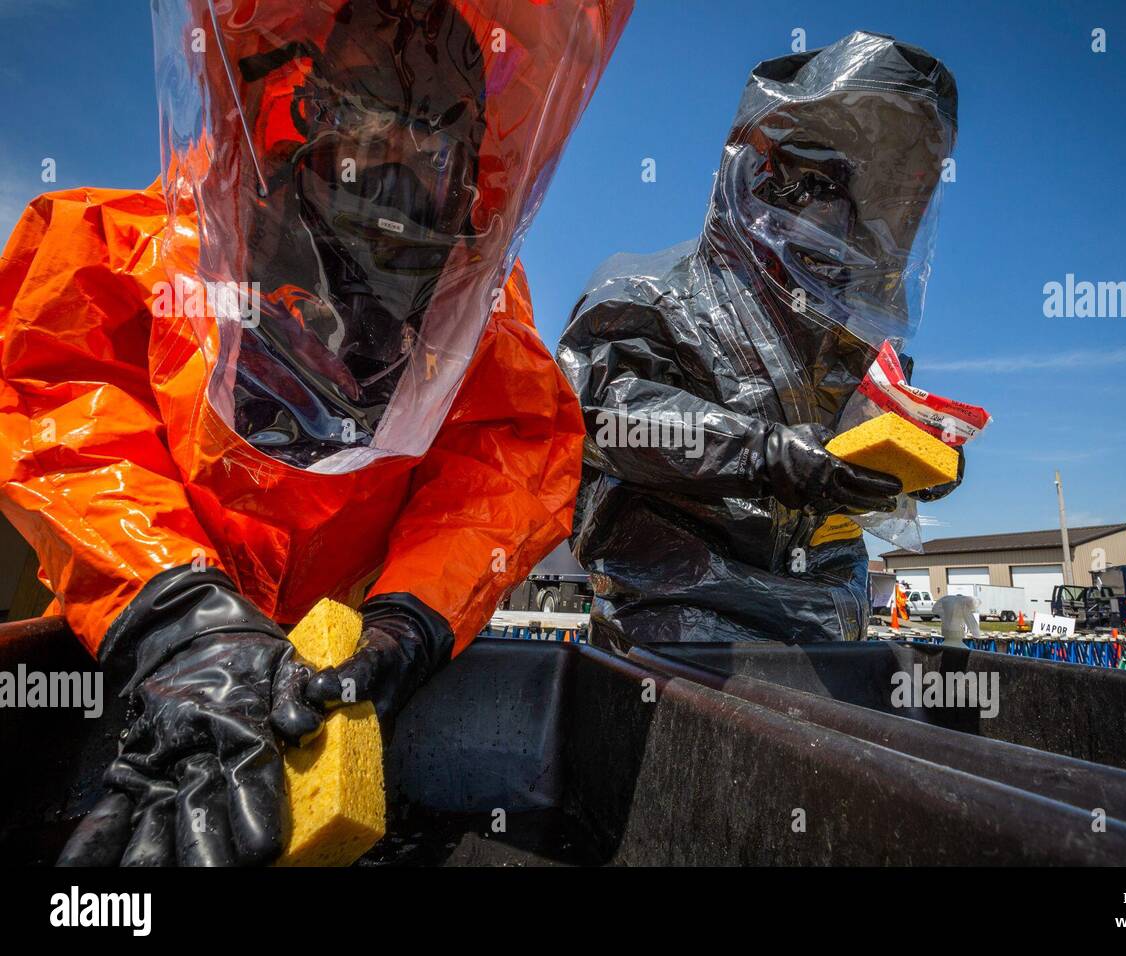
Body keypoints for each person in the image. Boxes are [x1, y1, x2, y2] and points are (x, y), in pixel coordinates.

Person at [0, 0, 630, 866]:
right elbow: (63, 406)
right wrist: (181, 621)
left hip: (338, 714)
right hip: (137, 685)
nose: (398, 155)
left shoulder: (474, 317)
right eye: (371, 111)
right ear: (309, 102)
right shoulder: (154, 254)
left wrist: (406, 623)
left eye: (433, 133)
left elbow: (500, 467)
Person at [558, 31, 960, 651]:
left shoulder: (843, 338)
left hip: (827, 641)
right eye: (827, 189)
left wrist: (916, 461)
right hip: (674, 635)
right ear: (765, 184)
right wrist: (763, 454)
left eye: (863, 203)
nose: (847, 223)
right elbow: (605, 416)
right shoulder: (648, 293)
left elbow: (855, 448)